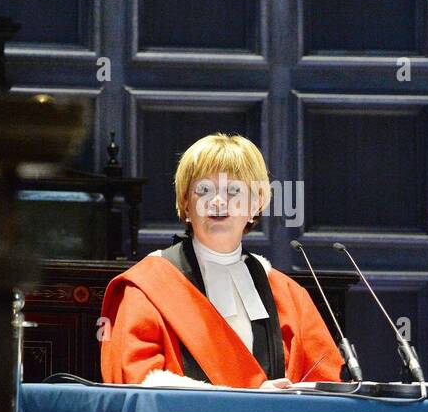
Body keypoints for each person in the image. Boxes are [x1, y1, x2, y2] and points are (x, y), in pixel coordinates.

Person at [100, 134, 341, 388]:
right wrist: (247, 403)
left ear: (255, 204)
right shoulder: (146, 287)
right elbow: (134, 383)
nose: (217, 201)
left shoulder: (288, 295)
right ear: (185, 203)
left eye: (233, 190)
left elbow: (327, 387)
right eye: (204, 190)